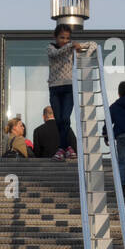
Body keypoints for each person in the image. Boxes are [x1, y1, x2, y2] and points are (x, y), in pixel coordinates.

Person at [47, 23, 89, 159]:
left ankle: (62, 148)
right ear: (55, 37)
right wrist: (71, 45)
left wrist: (79, 46)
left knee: (65, 118)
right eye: (62, 38)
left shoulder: (71, 48)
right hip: (54, 88)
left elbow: (93, 45)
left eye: (67, 38)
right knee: (58, 120)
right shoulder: (50, 47)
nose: (64, 40)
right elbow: (56, 53)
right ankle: (68, 147)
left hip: (69, 88)